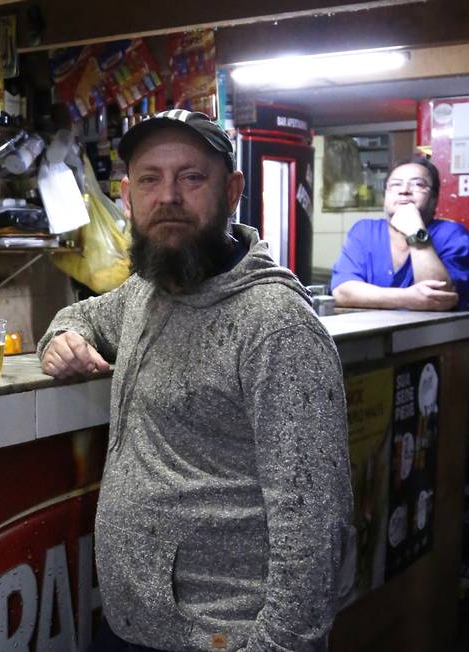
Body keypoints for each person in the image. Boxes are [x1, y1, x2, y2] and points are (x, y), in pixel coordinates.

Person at [38, 110, 353, 651]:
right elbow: (86, 316)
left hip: (227, 637)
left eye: (191, 178)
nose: (168, 197)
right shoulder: (149, 290)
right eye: (150, 179)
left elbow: (315, 530)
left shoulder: (275, 325)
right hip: (135, 624)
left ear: (232, 191)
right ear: (127, 195)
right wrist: (61, 337)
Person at [331, 157, 469, 311]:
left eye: (418, 184)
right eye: (395, 184)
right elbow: (342, 292)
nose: (404, 191)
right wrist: (407, 298)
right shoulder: (364, 231)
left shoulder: (452, 234)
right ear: (385, 195)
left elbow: (437, 298)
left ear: (434, 199)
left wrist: (415, 231)